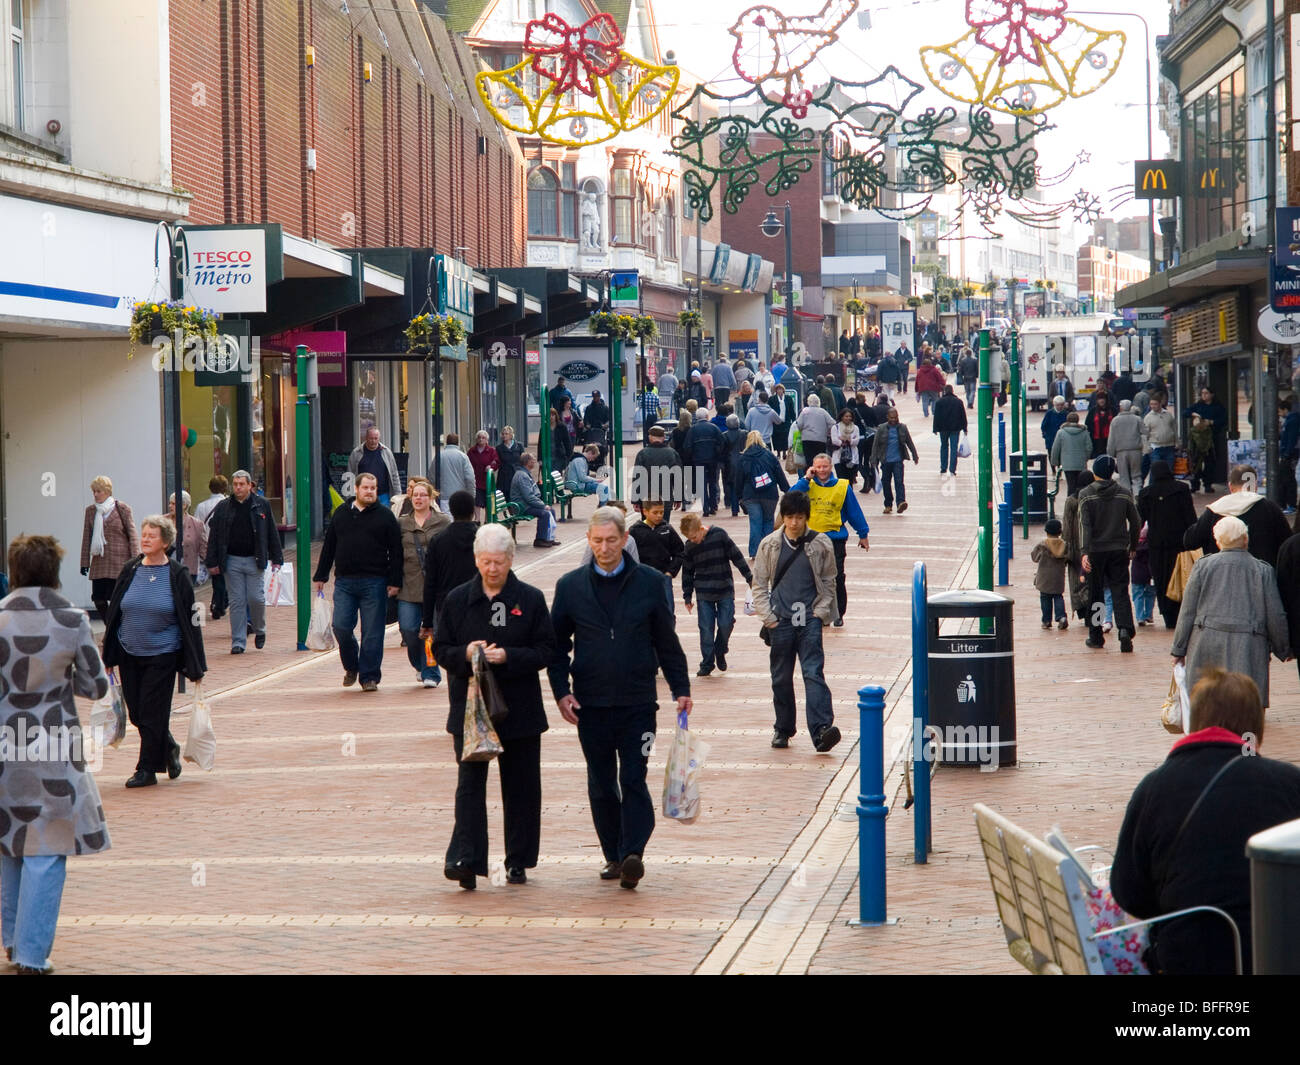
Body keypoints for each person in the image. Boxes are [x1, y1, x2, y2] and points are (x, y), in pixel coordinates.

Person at [1111, 669, 1300, 975]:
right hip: (1275, 956)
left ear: (1195, 722)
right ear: (1255, 726)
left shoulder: (1155, 787)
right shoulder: (1289, 783)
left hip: (1186, 958)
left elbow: (1129, 892)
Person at [548, 507, 691, 890]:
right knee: (600, 782)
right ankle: (612, 853)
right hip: (590, 705)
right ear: (589, 541)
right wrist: (561, 692)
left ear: (625, 539)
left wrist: (681, 689)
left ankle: (633, 853)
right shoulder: (570, 587)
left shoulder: (648, 583)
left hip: (638, 703)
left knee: (633, 776)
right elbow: (556, 647)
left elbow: (666, 640)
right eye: (597, 541)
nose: (605, 548)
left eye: (612, 540)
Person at [0, 535, 113, 972]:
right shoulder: (70, 618)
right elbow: (96, 684)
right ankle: (31, 954)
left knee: (10, 841)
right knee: (46, 846)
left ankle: (12, 940)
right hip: (53, 745)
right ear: (53, 571)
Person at [435, 523, 555, 890]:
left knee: (521, 786)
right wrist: (466, 654)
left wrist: (509, 656)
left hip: (519, 707)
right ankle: (467, 860)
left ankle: (518, 860)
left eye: (499, 563)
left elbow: (547, 649)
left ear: (511, 559)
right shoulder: (457, 599)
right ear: (476, 559)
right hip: (471, 709)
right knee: (469, 785)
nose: (492, 569)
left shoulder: (529, 599)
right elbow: (441, 649)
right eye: (486, 562)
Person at [101, 515, 207, 788]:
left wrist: (197, 664)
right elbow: (115, 613)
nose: (145, 539)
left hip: (163, 653)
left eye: (152, 536)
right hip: (129, 650)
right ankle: (169, 747)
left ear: (166, 542)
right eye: (144, 535)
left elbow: (192, 619)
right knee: (137, 713)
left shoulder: (177, 574)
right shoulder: (130, 569)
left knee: (153, 712)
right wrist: (109, 654)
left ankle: (146, 769)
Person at [751, 491, 842, 752]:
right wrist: (768, 618)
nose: (794, 523)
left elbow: (829, 581)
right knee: (780, 677)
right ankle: (783, 728)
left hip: (810, 620)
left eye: (799, 517)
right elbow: (759, 584)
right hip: (781, 620)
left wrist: (821, 612)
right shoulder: (769, 545)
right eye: (789, 517)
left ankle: (822, 730)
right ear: (783, 517)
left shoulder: (821, 543)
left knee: (813, 673)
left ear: (806, 518)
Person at [1171, 516, 1289, 706]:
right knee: (1245, 707)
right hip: (1249, 645)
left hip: (1205, 644)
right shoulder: (1262, 571)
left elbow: (1188, 610)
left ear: (1218, 542)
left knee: (1207, 705)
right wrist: (1283, 648)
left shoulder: (1203, 566)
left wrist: (1179, 649)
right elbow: (1275, 614)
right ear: (1246, 540)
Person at [312, 472, 403, 691]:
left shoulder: (385, 516)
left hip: (375, 581)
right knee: (341, 626)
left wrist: (394, 580)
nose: (370, 492)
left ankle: (369, 677)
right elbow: (330, 545)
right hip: (345, 581)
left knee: (373, 632)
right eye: (366, 488)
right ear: (357, 489)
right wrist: (321, 575)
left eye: (373, 488)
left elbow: (396, 550)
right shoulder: (341, 514)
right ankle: (352, 666)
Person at [203, 469, 284, 654]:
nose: (238, 487)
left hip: (254, 559)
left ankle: (259, 629)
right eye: (235, 484)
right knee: (237, 601)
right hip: (231, 561)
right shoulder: (224, 506)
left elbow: (271, 530)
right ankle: (238, 641)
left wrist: (277, 557)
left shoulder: (261, 504)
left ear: (249, 486)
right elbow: (215, 535)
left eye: (242, 484)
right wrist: (212, 561)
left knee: (256, 598)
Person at [791, 452, 870, 623]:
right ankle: (818, 613)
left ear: (831, 467)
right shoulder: (807, 485)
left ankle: (838, 613)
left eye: (825, 466)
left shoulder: (842, 486)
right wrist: (805, 479)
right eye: (818, 467)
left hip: (835, 538)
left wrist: (863, 534)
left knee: (836, 577)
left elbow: (854, 511)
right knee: (812, 577)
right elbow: (790, 499)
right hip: (811, 539)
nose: (821, 470)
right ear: (812, 467)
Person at [1079, 455, 1140, 651]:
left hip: (1096, 551)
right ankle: (1124, 629)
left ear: (1095, 472)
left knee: (1096, 593)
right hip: (1118, 550)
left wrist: (1084, 552)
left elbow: (1085, 526)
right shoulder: (1123, 493)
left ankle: (1096, 635)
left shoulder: (1086, 494)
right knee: (1120, 591)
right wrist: (1132, 545)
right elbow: (1136, 522)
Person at [679, 512, 751, 675]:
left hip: (724, 588)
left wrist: (749, 577)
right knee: (705, 628)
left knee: (726, 623)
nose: (692, 541)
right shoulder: (690, 546)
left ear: (700, 528)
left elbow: (736, 556)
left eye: (694, 537)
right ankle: (707, 663)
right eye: (689, 538)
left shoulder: (719, 535)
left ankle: (720, 649)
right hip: (704, 592)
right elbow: (687, 572)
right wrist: (687, 595)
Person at [395, 477, 449, 689]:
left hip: (434, 587)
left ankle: (431, 673)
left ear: (431, 497)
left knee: (430, 632)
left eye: (423, 495)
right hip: (409, 584)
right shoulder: (402, 523)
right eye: (415, 495)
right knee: (409, 629)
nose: (418, 498)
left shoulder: (442, 522)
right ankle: (419, 664)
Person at [1183, 464, 1293, 568]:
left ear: (1230, 486)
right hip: (1261, 578)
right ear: (1255, 486)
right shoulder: (1270, 508)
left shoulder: (1215, 510)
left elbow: (1190, 541)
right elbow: (1287, 543)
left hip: (1220, 576)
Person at [1137, 461, 1197, 630]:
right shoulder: (1181, 489)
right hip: (1179, 544)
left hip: (1157, 545)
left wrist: (1133, 542)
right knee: (1181, 578)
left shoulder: (1146, 494)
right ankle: (1181, 613)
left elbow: (1139, 521)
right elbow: (1190, 517)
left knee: (1161, 579)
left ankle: (1168, 615)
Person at [420, 489, 479, 638]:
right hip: (478, 603)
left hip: (446, 604)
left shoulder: (438, 541)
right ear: (472, 511)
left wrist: (427, 621)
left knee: (450, 652)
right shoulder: (483, 538)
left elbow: (430, 582)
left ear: (451, 511)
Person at [79, 475, 139, 620]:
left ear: (107, 491)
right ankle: (111, 626)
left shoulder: (122, 508)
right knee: (98, 598)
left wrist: (135, 561)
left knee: (116, 599)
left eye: (98, 491)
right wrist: (84, 563)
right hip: (99, 561)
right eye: (94, 491)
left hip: (120, 562)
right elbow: (86, 537)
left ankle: (115, 631)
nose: (95, 494)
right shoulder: (91, 511)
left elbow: (133, 535)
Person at [736, 431, 790, 559]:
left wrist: (739, 497)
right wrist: (787, 490)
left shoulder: (743, 457)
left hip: (750, 495)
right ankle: (769, 550)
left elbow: (738, 480)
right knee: (768, 521)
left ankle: (754, 552)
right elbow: (779, 475)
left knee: (755, 523)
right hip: (769, 493)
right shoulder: (769, 455)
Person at [870, 406, 920, 514]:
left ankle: (900, 502)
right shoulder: (881, 428)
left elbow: (909, 442)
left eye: (895, 417)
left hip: (898, 460)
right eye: (891, 417)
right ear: (887, 417)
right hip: (885, 460)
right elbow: (875, 445)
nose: (893, 419)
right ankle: (888, 504)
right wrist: (873, 460)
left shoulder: (902, 428)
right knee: (886, 482)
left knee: (899, 481)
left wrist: (915, 455)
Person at [510, 453, 560, 548]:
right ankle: (540, 539)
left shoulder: (526, 473)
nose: (534, 461)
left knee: (551, 510)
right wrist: (542, 505)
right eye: (533, 460)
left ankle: (549, 537)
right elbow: (528, 496)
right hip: (522, 506)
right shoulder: (522, 476)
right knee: (544, 513)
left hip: (527, 504)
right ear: (527, 462)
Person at [683, 408, 726, 516]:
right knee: (712, 482)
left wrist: (692, 456)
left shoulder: (693, 430)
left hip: (698, 460)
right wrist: (717, 453)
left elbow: (687, 446)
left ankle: (705, 508)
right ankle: (713, 506)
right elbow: (722, 443)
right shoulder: (713, 428)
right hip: (712, 459)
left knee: (702, 484)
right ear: (707, 416)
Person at [629, 499, 685, 579]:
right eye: (655, 513)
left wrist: (670, 572)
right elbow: (628, 556)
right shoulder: (635, 531)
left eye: (661, 512)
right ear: (645, 512)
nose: (659, 515)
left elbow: (680, 552)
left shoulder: (667, 529)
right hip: (642, 579)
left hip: (663, 579)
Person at [631, 425, 683, 509]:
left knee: (647, 521)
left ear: (650, 437)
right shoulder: (672, 453)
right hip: (666, 498)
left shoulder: (642, 453)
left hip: (647, 499)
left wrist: (636, 500)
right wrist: (678, 498)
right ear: (663, 437)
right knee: (664, 521)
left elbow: (637, 478)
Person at [348, 426, 401, 505]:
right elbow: (350, 475)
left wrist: (398, 495)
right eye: (371, 438)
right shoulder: (356, 453)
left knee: (384, 517)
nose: (373, 441)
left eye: (376, 438)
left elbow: (394, 474)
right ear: (366, 438)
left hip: (383, 495)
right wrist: (349, 497)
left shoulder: (386, 452)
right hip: (363, 496)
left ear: (379, 438)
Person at [1031, 518, 1068, 630]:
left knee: (1045, 598)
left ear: (1046, 532)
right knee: (1058, 597)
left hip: (1044, 578)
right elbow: (1068, 558)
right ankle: (1061, 617)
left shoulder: (1042, 545)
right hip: (1058, 578)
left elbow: (1034, 557)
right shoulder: (1065, 545)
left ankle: (1046, 620)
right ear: (1060, 532)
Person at [167, 491, 209, 585]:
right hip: (165, 569)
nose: (170, 506)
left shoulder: (197, 524)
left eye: (173, 503)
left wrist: (209, 566)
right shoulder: (162, 521)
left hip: (188, 571)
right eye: (170, 503)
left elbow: (204, 549)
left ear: (184, 505)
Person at [1106, 399, 1144, 495]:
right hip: (1136, 450)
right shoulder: (1137, 419)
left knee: (1124, 477)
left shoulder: (1115, 421)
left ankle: (1126, 497)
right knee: (1136, 476)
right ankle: (1137, 495)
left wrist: (1110, 454)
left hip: (1121, 451)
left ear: (1121, 407)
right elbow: (1145, 433)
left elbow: (1111, 439)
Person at [1049, 411, 1092, 497]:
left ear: (1067, 420)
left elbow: (1055, 448)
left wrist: (1055, 462)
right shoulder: (1084, 432)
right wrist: (1085, 458)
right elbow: (1089, 447)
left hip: (1067, 464)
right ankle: (1080, 503)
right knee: (1080, 486)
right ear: (1078, 420)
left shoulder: (1061, 432)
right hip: (1081, 463)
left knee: (1071, 485)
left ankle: (1070, 505)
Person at [434, 433, 477, 514]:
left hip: (444, 497)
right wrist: (471, 495)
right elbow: (470, 478)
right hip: (460, 496)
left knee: (447, 521)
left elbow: (432, 477)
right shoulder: (463, 457)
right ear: (458, 443)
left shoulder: (439, 456)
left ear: (446, 442)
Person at [932, 384, 967, 478]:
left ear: (944, 391)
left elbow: (936, 416)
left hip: (943, 429)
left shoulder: (939, 402)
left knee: (944, 446)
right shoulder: (958, 402)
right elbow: (963, 416)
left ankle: (943, 468)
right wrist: (965, 428)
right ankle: (952, 469)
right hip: (955, 428)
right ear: (952, 391)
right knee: (954, 448)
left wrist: (935, 428)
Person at [1143, 395, 1178, 484]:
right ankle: (1152, 490)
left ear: (1160, 404)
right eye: (1151, 404)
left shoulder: (1168, 415)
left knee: (1169, 471)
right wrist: (1147, 448)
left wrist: (1177, 442)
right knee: (1155, 471)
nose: (1153, 406)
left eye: (1155, 404)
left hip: (1169, 447)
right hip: (1155, 448)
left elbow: (1174, 429)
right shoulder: (1148, 417)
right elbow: (1144, 435)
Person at [467, 430, 500, 520]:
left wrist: (491, 466)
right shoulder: (471, 451)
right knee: (477, 502)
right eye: (479, 437)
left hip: (487, 481)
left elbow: (496, 461)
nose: (481, 439)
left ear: (487, 440)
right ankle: (477, 520)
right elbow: (467, 464)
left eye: (483, 438)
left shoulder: (491, 451)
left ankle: (487, 520)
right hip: (476, 480)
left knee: (488, 502)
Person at [795, 393, 836, 466]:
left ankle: (810, 474)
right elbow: (832, 423)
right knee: (820, 459)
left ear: (808, 402)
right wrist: (828, 431)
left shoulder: (805, 411)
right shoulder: (823, 411)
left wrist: (802, 430)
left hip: (807, 439)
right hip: (820, 439)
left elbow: (799, 424)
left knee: (809, 459)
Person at [721, 412, 747, 517]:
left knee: (732, 486)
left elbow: (722, 450)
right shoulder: (744, 433)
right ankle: (744, 503)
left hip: (729, 463)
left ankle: (734, 509)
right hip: (742, 461)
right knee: (744, 485)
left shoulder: (724, 436)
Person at [830, 407, 861, 489]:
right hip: (839, 457)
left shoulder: (855, 428)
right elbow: (834, 440)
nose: (848, 418)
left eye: (849, 416)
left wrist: (849, 440)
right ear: (841, 417)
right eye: (846, 416)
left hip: (852, 458)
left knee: (849, 481)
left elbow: (856, 441)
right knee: (841, 480)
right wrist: (842, 442)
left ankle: (849, 498)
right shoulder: (835, 428)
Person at [1131, 523, 1155, 626]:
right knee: (1150, 594)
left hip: (1137, 574)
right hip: (1150, 573)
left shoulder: (1133, 547)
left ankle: (1140, 617)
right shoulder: (1152, 545)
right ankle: (1148, 614)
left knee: (1137, 595)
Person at [495, 425, 525, 502]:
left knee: (518, 495)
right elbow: (497, 461)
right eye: (503, 434)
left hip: (516, 473)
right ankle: (511, 512)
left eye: (506, 434)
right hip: (504, 476)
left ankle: (516, 512)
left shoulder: (519, 446)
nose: (504, 436)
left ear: (511, 435)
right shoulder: (499, 448)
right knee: (507, 496)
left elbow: (523, 460)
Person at [1186, 413, 1215, 494]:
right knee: (1196, 468)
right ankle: (1198, 485)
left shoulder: (1207, 430)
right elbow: (1191, 443)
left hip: (1205, 451)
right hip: (1199, 451)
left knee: (1207, 468)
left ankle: (1205, 485)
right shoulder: (1195, 431)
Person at [770, 383, 798, 454]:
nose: (779, 391)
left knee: (785, 437)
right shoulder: (772, 399)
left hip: (786, 421)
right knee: (777, 437)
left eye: (781, 389)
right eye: (778, 389)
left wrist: (794, 420)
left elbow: (791, 410)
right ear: (776, 391)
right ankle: (778, 452)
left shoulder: (788, 398)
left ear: (783, 390)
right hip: (776, 422)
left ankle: (785, 452)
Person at [1084, 392, 1113, 459]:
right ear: (1097, 400)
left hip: (1110, 439)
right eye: (1099, 399)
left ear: (1106, 400)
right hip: (1096, 440)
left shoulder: (1112, 410)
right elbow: (1088, 424)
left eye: (1103, 398)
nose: (1101, 400)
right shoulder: (1093, 411)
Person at [1041, 395, 1068, 460]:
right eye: (1058, 405)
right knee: (1051, 455)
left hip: (1063, 438)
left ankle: (1060, 468)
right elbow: (1044, 425)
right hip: (1051, 438)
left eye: (1061, 405)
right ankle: (1053, 469)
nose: (1060, 407)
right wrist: (1045, 435)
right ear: (1054, 404)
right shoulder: (1049, 413)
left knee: (1062, 455)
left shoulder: (1066, 413)